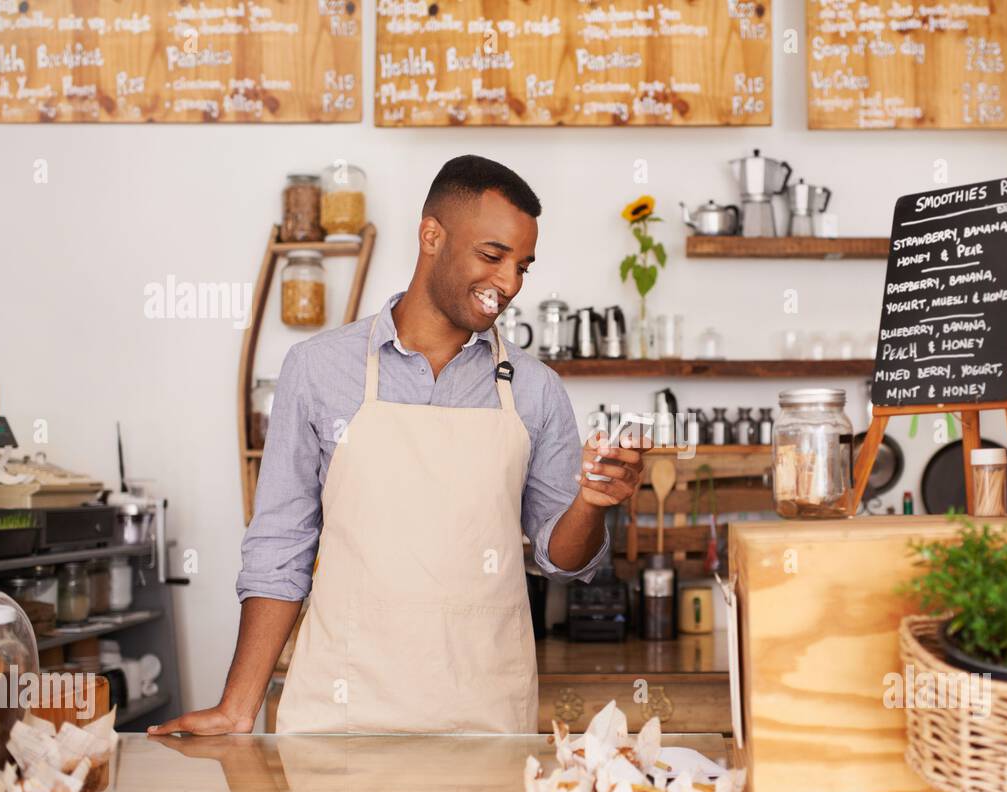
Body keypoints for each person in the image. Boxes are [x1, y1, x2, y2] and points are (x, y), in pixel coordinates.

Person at [151, 155, 646, 735]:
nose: (509, 284)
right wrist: (238, 708)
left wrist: (592, 503)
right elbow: (280, 547)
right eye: (492, 256)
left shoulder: (536, 390)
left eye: (522, 267)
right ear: (431, 235)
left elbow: (561, 562)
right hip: (338, 717)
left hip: (484, 719)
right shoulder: (318, 369)